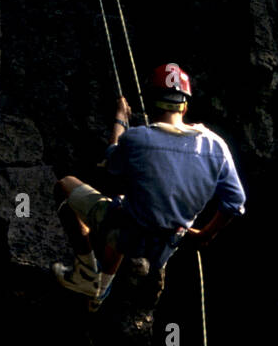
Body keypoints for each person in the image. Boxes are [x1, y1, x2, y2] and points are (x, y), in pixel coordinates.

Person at [52, 63, 247, 310]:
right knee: (128, 202)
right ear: (185, 106)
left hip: (130, 234)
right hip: (165, 247)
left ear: (152, 102)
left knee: (65, 186)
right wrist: (204, 235)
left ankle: (86, 273)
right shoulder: (216, 146)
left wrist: (121, 119)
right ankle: (101, 290)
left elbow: (111, 164)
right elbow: (235, 203)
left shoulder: (138, 138)